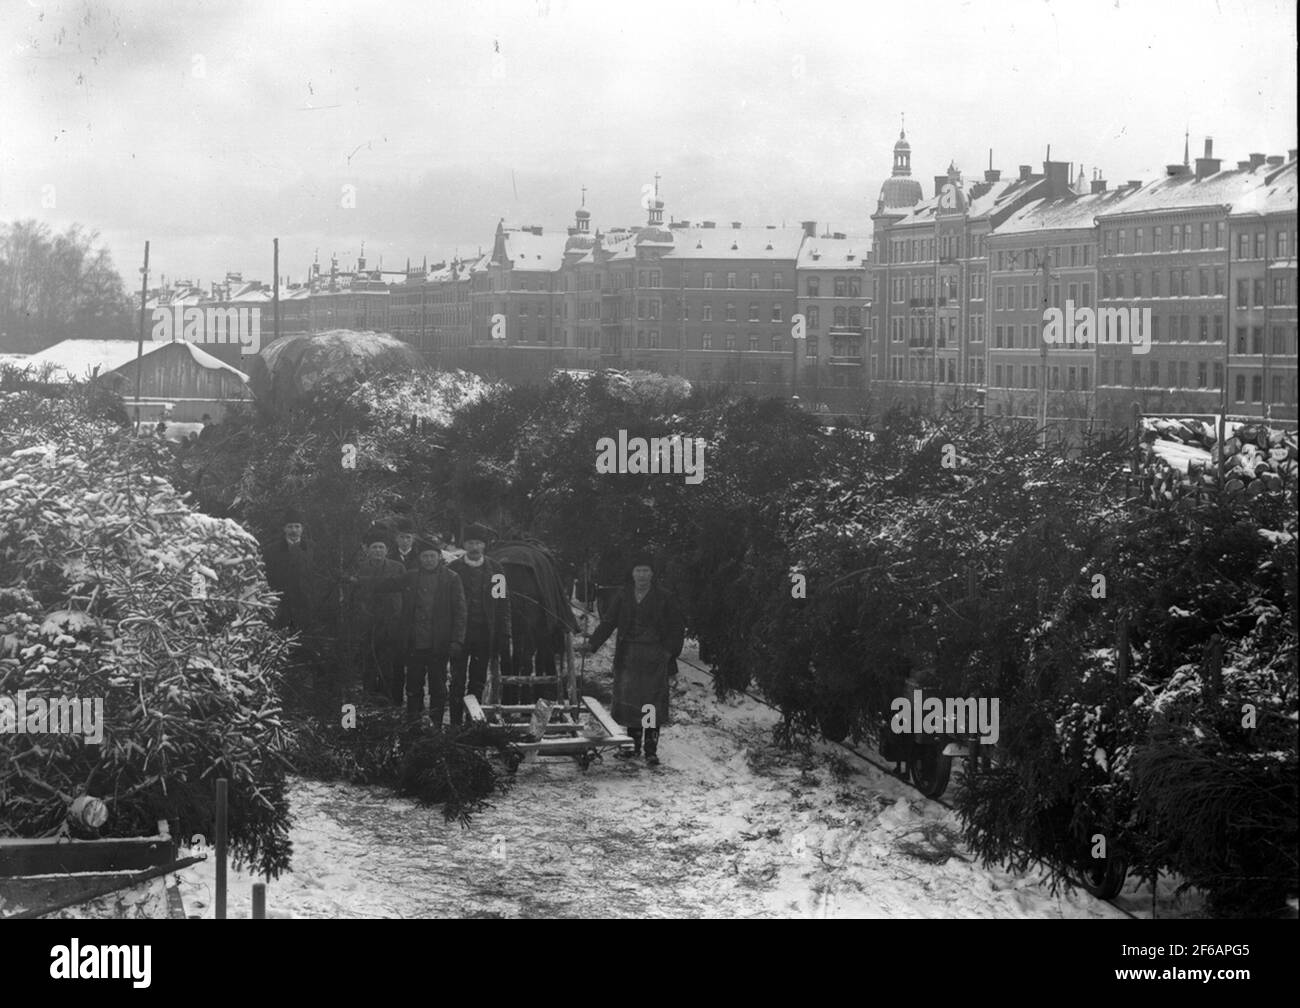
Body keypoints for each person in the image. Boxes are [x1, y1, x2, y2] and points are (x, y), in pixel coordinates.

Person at [582, 555, 683, 766]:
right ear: (632, 573)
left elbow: (676, 628)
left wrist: (668, 653)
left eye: (646, 570)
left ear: (653, 574)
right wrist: (592, 644)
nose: (642, 575)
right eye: (638, 570)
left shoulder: (665, 597)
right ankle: (633, 747)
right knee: (632, 704)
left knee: (650, 704)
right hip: (628, 657)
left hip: (654, 658)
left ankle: (650, 750)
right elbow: (608, 622)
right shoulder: (623, 595)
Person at [359, 541, 466, 724]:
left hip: (438, 644)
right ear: (420, 558)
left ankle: (436, 725)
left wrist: (457, 640)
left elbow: (460, 611)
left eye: (432, 556)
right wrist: (357, 581)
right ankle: (412, 726)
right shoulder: (411, 576)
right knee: (413, 686)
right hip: (415, 643)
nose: (429, 560)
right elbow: (386, 584)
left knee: (438, 688)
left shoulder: (451, 578)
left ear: (439, 557)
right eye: (425, 556)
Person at [448, 523, 511, 724]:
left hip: (484, 634)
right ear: (464, 544)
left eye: (478, 543)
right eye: (471, 543)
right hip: (460, 635)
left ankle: (471, 723)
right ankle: (455, 724)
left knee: (478, 680)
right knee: (457, 680)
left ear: (484, 546)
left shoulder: (495, 569)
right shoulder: (453, 569)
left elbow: (502, 604)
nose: (474, 547)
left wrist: (504, 633)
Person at [351, 531, 407, 703]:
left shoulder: (397, 567)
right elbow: (353, 595)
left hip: (391, 623)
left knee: (388, 663)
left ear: (387, 550)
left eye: (381, 547)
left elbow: (403, 591)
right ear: (368, 550)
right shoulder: (359, 567)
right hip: (367, 622)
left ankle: (388, 700)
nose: (378, 551)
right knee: (368, 662)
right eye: (374, 547)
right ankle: (368, 698)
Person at [263, 507, 315, 632]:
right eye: (290, 526)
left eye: (297, 526)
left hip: (304, 605)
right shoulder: (271, 550)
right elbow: (266, 576)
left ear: (302, 529)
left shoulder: (312, 548)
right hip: (281, 605)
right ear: (284, 529)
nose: (294, 530)